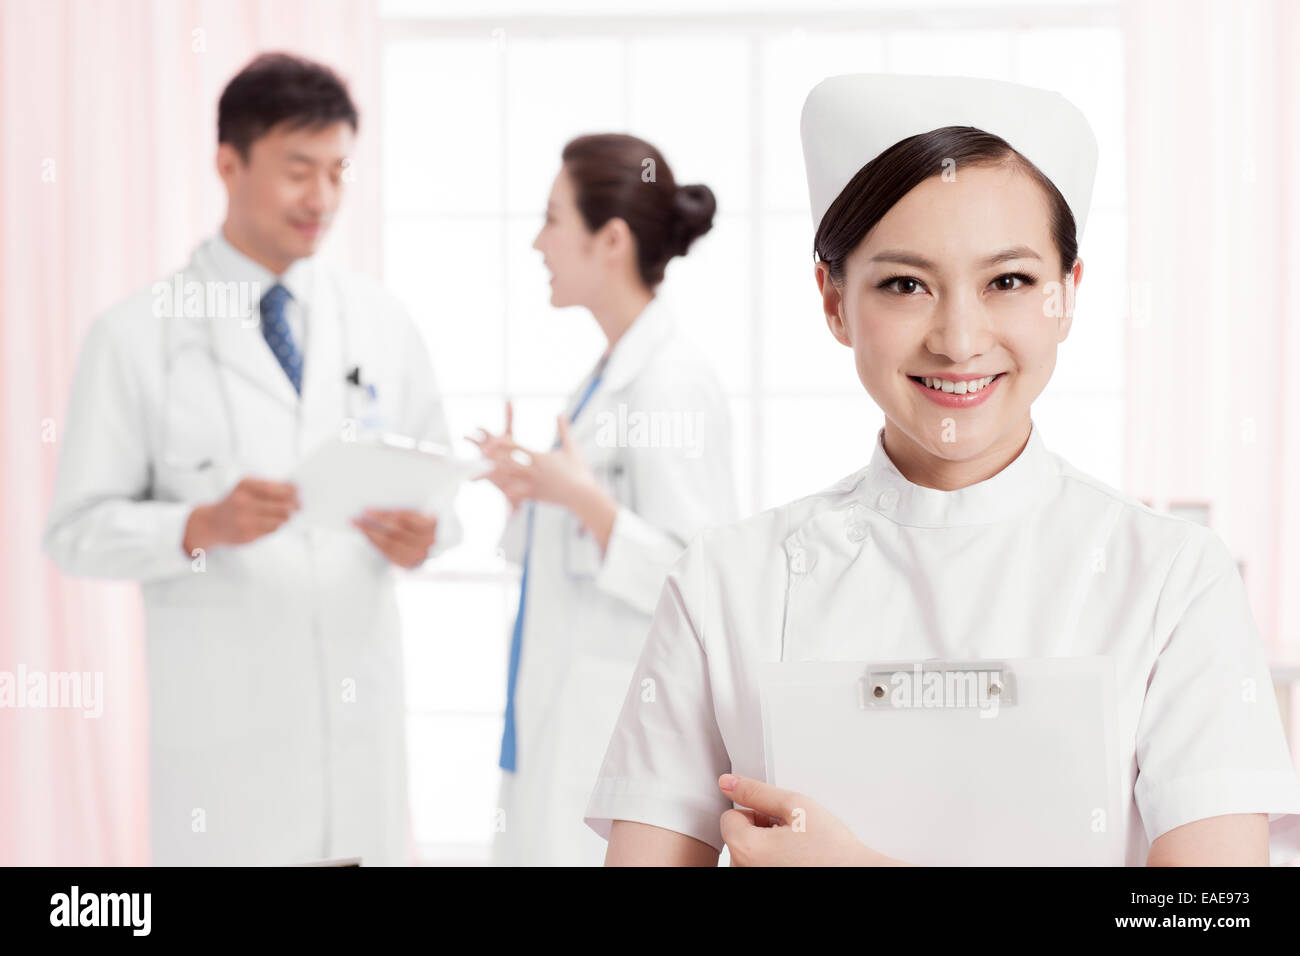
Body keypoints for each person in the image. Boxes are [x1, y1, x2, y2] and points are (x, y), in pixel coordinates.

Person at [584, 73, 1300, 866]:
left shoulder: (1174, 581)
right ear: (833, 299)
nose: (960, 339)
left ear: (1068, 294)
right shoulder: (724, 585)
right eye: (904, 284)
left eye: (1009, 281)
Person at [42, 52, 461, 865]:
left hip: (358, 748)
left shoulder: (380, 321)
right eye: (298, 171)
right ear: (227, 163)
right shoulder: (136, 336)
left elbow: (442, 498)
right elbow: (76, 530)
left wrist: (427, 535)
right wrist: (200, 524)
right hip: (226, 768)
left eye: (338, 172)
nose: (323, 199)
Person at [471, 134, 736, 865]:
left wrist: (583, 502)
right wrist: (531, 494)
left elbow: (702, 577)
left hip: (610, 728)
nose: (537, 241)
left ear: (610, 239)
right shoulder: (608, 376)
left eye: (553, 219)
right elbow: (579, 552)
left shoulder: (669, 381)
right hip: (561, 712)